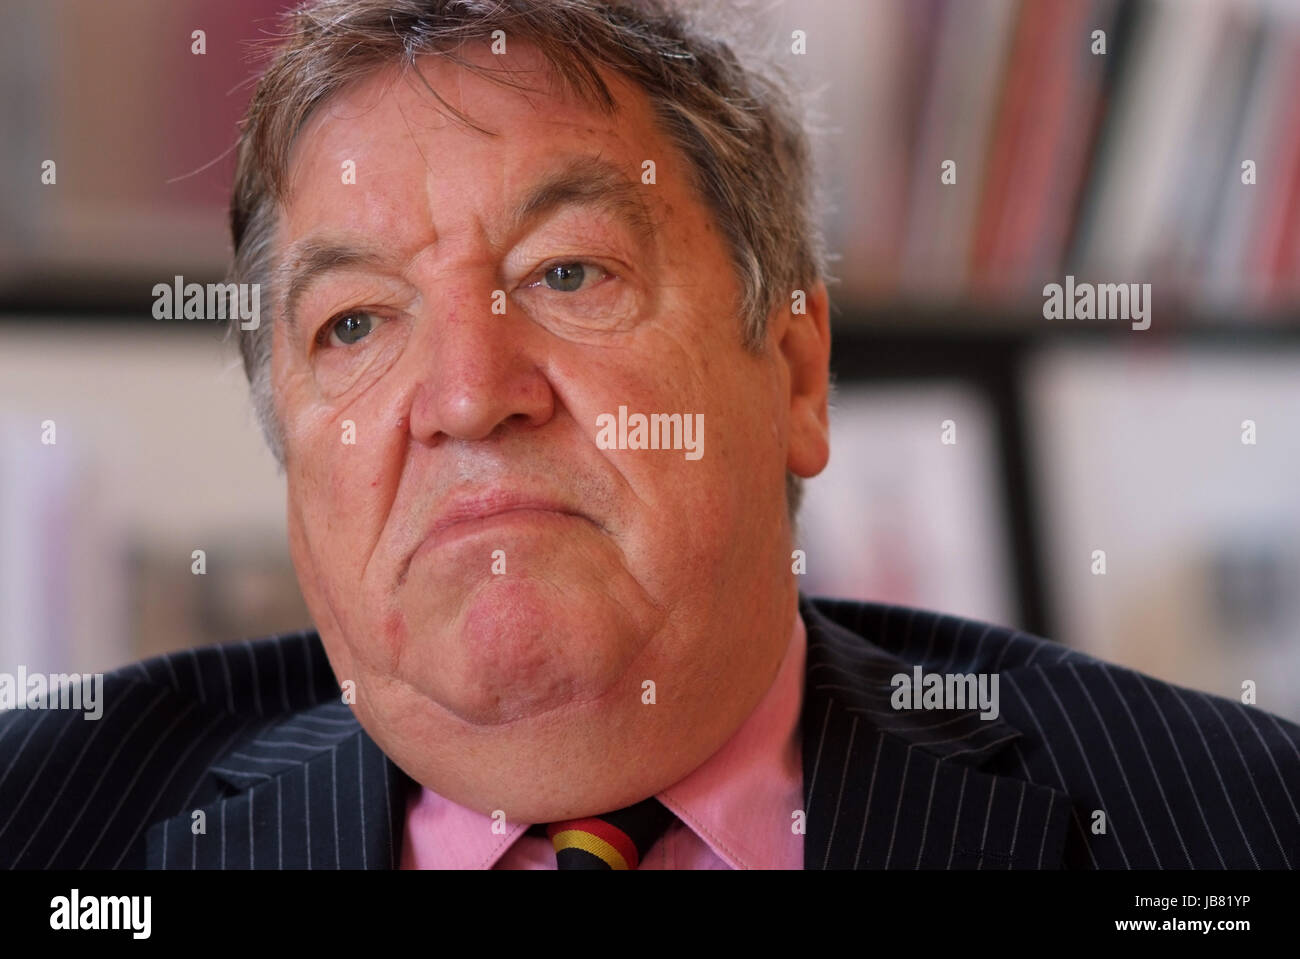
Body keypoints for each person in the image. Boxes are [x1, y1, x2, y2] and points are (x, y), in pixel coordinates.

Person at [1, 0, 1296, 870]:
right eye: (352, 325)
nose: (467, 393)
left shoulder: (1223, 826)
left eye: (568, 274)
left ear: (793, 373)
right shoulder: (51, 821)